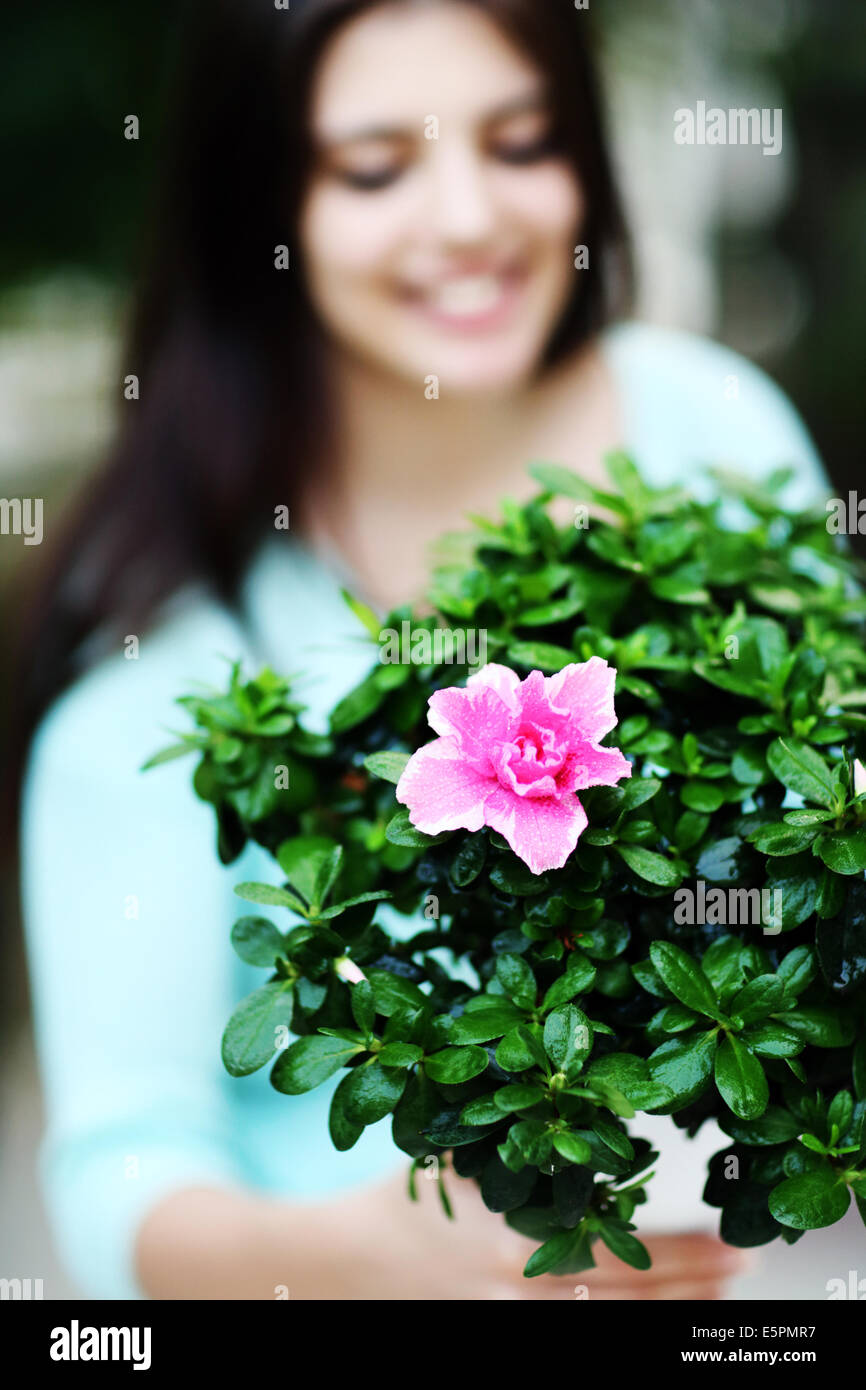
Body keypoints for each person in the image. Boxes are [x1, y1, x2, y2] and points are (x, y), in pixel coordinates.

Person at [14, 0, 826, 1300]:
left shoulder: (711, 424)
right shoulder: (167, 653)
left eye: (519, 142)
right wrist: (375, 1256)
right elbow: (121, 1174)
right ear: (257, 207)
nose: (466, 218)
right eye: (374, 167)